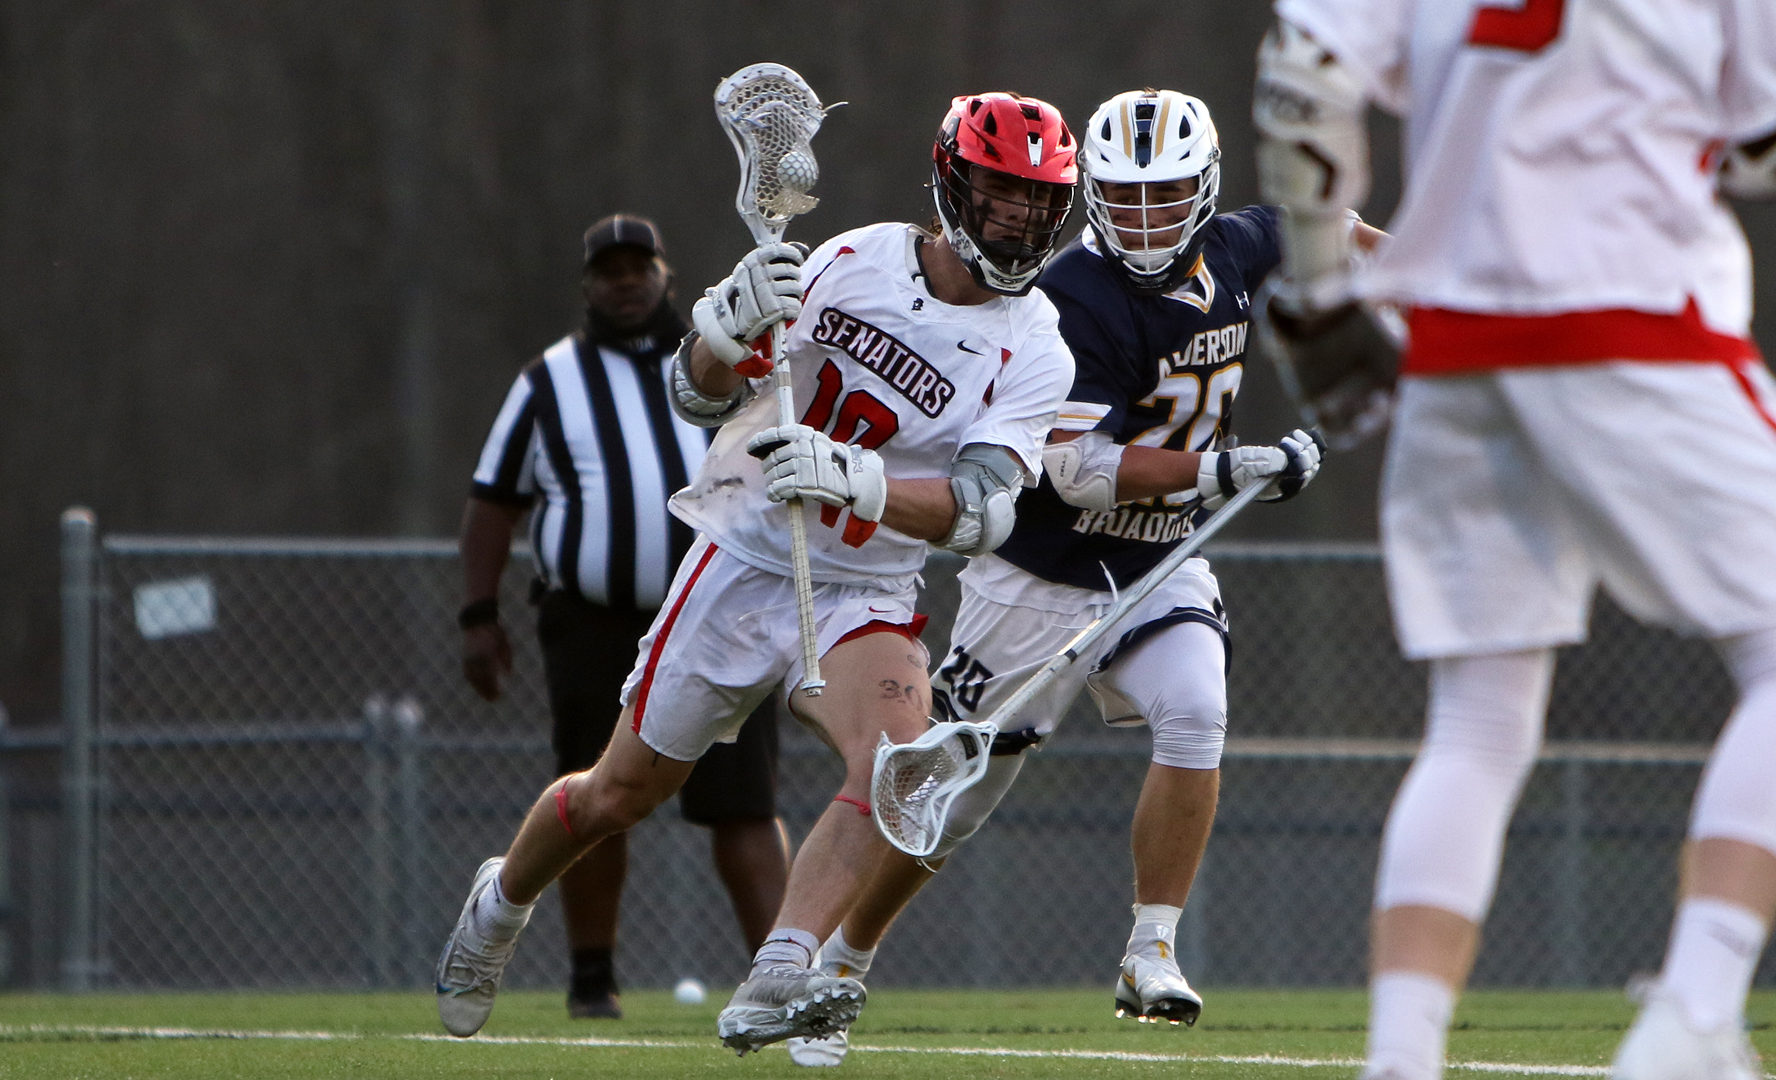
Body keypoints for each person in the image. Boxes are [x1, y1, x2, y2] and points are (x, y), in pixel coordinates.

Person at [1253, 3, 1776, 1080]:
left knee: (1478, 722)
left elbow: (1304, 79)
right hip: (1635, 315)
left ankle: (1399, 1058)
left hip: (1454, 341)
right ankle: (1694, 1016)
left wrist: (1316, 293)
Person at [435, 92, 1081, 1055]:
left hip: (866, 586)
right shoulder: (852, 260)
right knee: (619, 794)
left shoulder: (1037, 345)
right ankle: (501, 903)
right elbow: (696, 393)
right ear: (953, 185)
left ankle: (780, 971)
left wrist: (857, 480)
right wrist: (726, 331)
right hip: (744, 557)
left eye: (1040, 199)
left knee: (900, 767)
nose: (1021, 218)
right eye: (1003, 192)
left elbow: (980, 513)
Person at [786, 88, 1325, 1068]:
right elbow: (1078, 470)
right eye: (1126, 197)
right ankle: (845, 961)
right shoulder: (1073, 294)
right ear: (1094, 198)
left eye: (1167, 196)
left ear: (1206, 191)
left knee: (1197, 710)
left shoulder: (1237, 248)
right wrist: (1224, 470)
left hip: (1156, 560)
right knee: (953, 800)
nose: (1147, 219)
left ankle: (1150, 949)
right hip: (1037, 575)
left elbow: (1333, 231)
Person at [459, 213, 793, 1018]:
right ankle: (590, 977)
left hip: (725, 610)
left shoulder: (731, 358)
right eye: (610, 271)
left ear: (665, 273)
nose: (626, 282)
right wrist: (478, 613)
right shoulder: (549, 380)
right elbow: (493, 503)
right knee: (596, 800)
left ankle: (785, 976)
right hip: (594, 620)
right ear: (588, 285)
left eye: (639, 267)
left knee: (745, 802)